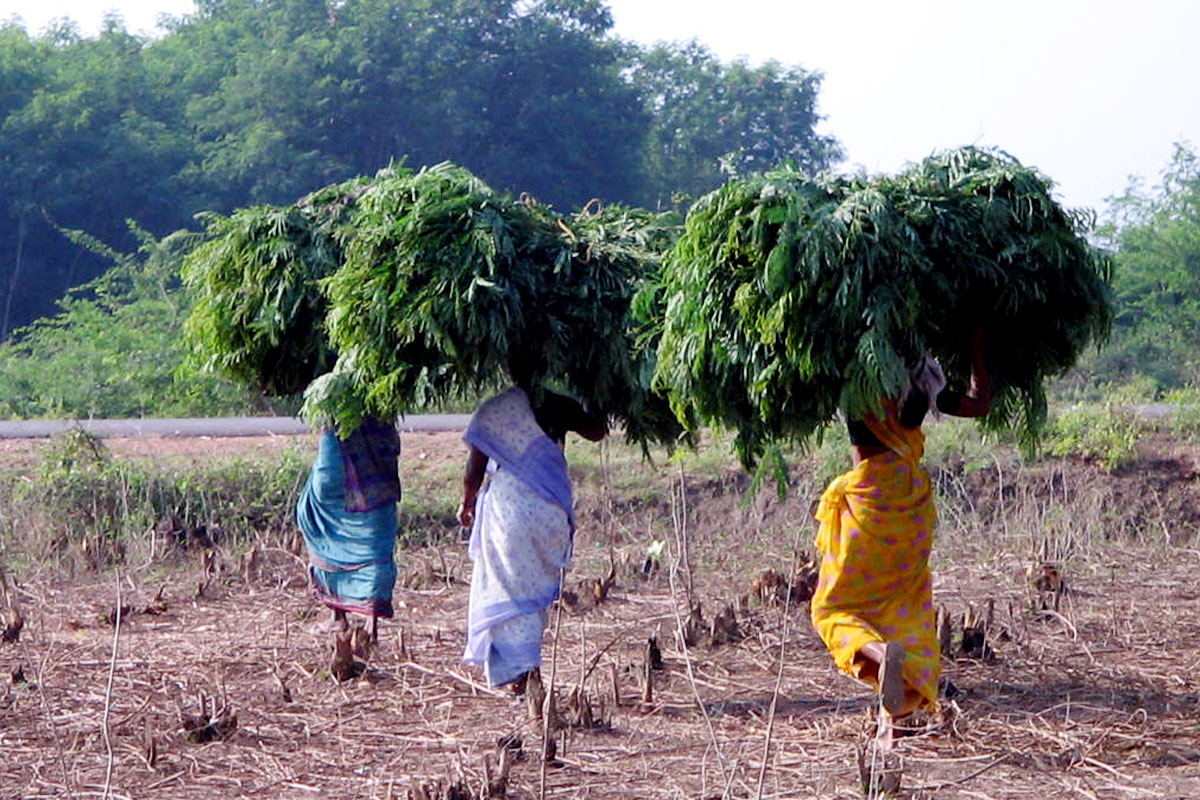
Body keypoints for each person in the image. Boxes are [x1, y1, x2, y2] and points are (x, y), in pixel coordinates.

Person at [810, 328, 989, 744]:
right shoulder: (924, 388)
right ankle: (893, 725)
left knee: (833, 610)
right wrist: (978, 341)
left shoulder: (859, 383)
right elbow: (981, 404)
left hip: (870, 506)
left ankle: (875, 653)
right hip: (911, 511)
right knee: (903, 607)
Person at [457, 372, 606, 690]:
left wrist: (467, 503)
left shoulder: (496, 409)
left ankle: (520, 671)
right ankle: (526, 669)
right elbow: (596, 431)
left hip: (509, 512)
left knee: (508, 590)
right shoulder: (559, 405)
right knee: (533, 594)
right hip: (549, 511)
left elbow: (474, 469)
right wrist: (597, 387)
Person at [296, 416, 402, 641]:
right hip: (375, 455)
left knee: (360, 525)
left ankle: (341, 617)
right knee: (373, 530)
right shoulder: (380, 398)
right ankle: (365, 622)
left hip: (350, 457)